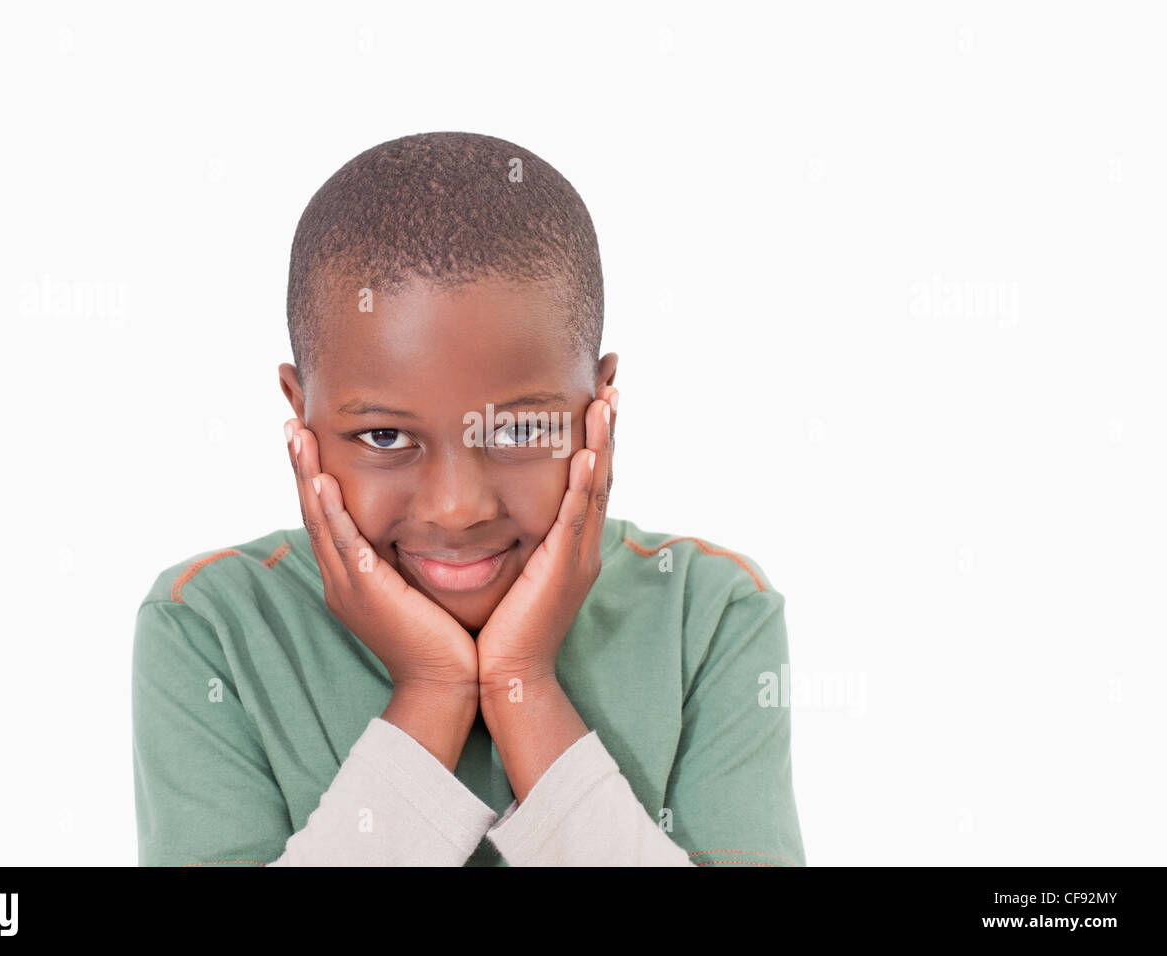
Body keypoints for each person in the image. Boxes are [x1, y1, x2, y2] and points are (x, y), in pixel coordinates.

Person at [131, 131, 806, 867]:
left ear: (600, 406)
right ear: (301, 416)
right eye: (385, 436)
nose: (456, 508)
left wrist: (525, 686)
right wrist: (432, 690)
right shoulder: (210, 626)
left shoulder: (709, 614)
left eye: (517, 429)